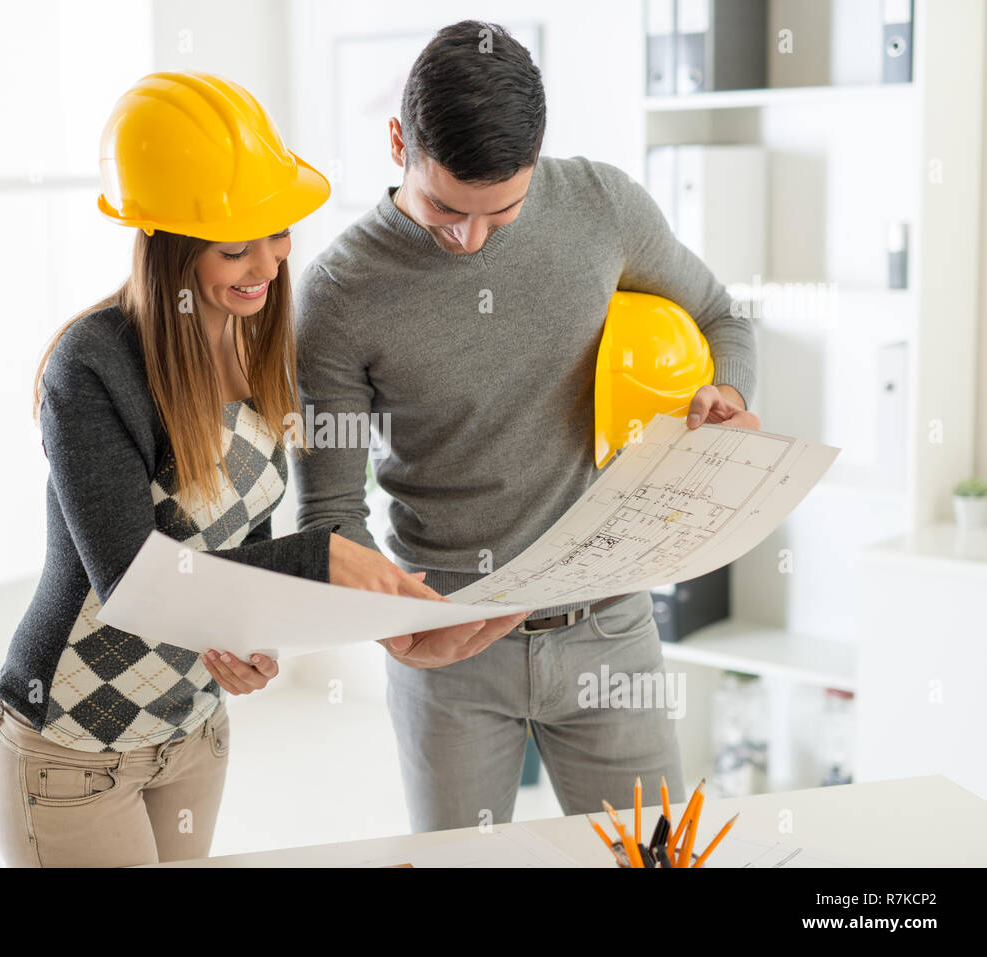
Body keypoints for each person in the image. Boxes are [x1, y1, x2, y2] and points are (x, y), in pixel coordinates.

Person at [292, 21, 761, 834]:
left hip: (610, 627)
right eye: (444, 207)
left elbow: (722, 314)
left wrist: (727, 391)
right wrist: (391, 624)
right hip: (449, 647)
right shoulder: (339, 293)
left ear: (536, 161)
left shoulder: (602, 208)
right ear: (398, 139)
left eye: (499, 212)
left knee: (656, 858)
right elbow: (330, 518)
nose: (468, 240)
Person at [0, 71, 453, 867]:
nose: (267, 266)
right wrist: (324, 558)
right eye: (235, 247)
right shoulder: (92, 366)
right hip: (70, 745)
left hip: (191, 731)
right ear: (167, 247)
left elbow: (239, 552)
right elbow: (133, 578)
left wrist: (249, 636)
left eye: (277, 234)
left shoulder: (265, 341)